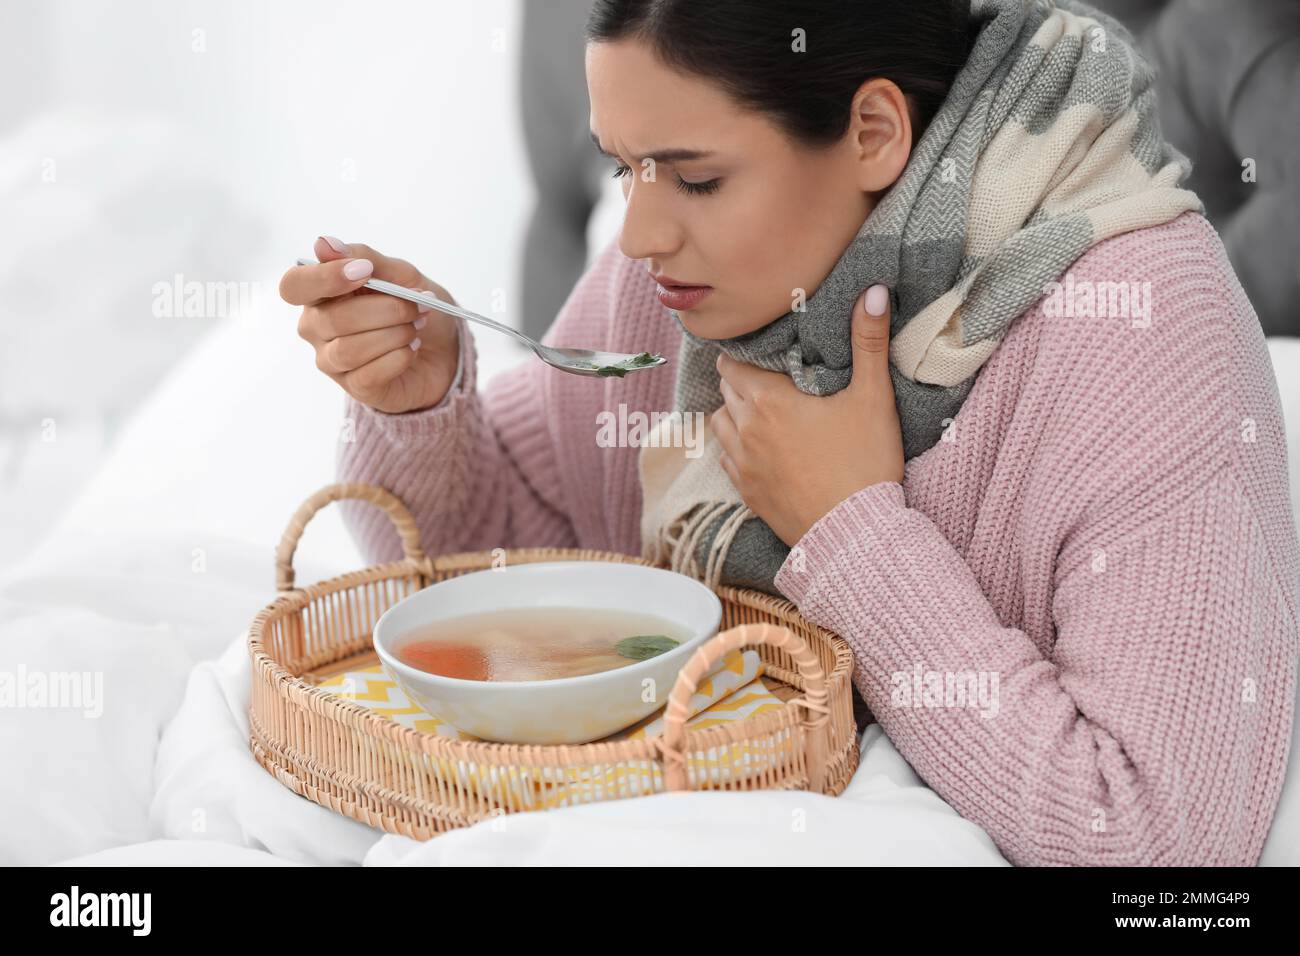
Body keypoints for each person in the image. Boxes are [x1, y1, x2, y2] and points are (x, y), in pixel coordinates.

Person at [278, 0, 1298, 866]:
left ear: (872, 133)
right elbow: (507, 557)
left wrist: (848, 527)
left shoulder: (1145, 326)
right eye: (621, 166)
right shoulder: (676, 279)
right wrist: (418, 401)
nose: (634, 234)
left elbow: (1163, 843)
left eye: (694, 177)